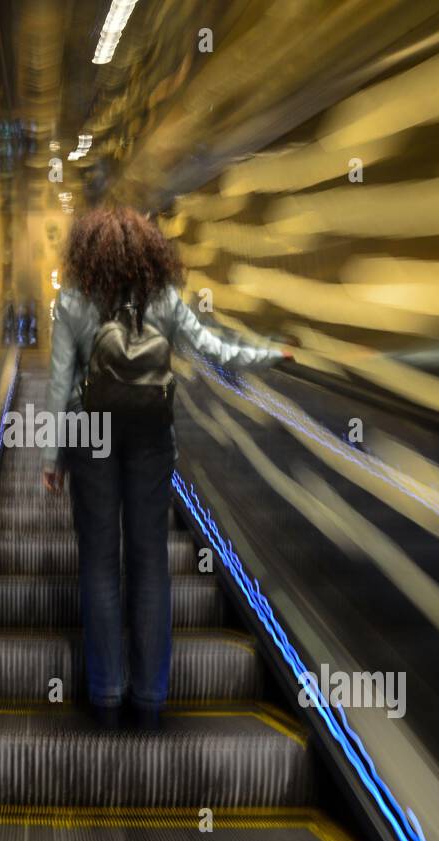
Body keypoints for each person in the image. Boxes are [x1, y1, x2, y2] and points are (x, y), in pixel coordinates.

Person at [40, 207, 292, 730]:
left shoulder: (73, 299)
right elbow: (214, 350)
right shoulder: (164, 299)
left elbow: (60, 383)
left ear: (87, 253)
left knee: (99, 564)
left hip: (92, 434)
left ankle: (107, 697)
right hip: (151, 437)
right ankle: (151, 699)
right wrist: (271, 354)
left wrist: (53, 457)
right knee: (150, 564)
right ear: (149, 252)